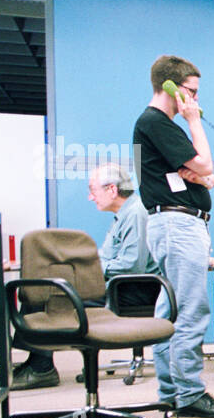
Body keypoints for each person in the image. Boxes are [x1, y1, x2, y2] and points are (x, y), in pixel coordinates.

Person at [133, 54, 214, 418]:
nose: (196, 102)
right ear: (171, 87)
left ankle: (171, 391)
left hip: (174, 223)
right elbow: (205, 166)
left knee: (169, 310)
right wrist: (194, 123)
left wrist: (201, 174)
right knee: (190, 308)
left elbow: (203, 176)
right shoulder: (156, 122)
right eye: (191, 93)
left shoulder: (152, 126)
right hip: (178, 225)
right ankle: (189, 393)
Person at [10, 163, 159, 390]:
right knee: (40, 290)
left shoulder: (136, 214)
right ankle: (37, 362)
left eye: (93, 190)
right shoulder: (124, 214)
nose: (90, 197)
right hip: (120, 284)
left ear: (112, 190)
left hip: (132, 289)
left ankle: (41, 368)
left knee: (48, 297)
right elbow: (105, 259)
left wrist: (87, 270)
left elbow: (130, 266)